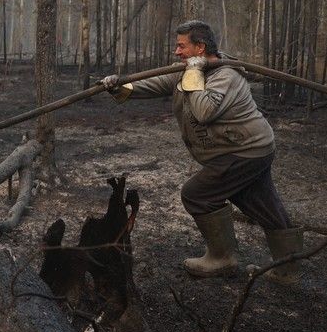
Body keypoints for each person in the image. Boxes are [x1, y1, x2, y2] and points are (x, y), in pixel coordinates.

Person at [101, 20, 302, 284]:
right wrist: (121, 86)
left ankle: (222, 259)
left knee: (197, 194)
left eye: (181, 46)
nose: (176, 52)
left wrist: (193, 73)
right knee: (261, 204)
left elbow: (204, 111)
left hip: (245, 151)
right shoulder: (186, 69)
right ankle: (287, 271)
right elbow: (155, 84)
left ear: (200, 47)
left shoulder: (226, 75)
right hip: (246, 149)